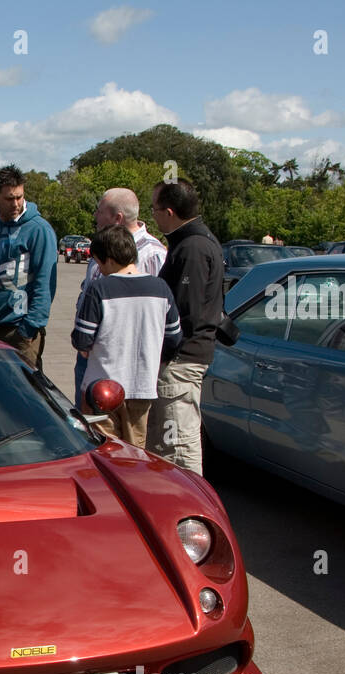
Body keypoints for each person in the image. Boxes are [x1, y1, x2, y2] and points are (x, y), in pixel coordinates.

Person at [73, 226, 182, 447]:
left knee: (105, 450)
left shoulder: (99, 289)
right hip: (142, 386)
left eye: (99, 263)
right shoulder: (161, 288)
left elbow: (81, 339)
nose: (100, 269)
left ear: (109, 260)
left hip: (102, 388)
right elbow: (174, 338)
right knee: (135, 452)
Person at [147, 178, 224, 474]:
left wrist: (166, 353)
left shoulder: (192, 247)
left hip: (181, 361)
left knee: (176, 444)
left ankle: (184, 507)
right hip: (184, 357)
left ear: (169, 211)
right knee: (168, 443)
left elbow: (184, 312)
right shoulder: (193, 242)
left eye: (154, 209)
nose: (152, 215)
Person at [72, 187, 167, 396]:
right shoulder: (102, 246)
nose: (95, 216)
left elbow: (162, 317)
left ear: (117, 218)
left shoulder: (153, 254)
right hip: (90, 360)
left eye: (100, 211)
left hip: (127, 372)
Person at [0, 165, 57, 371]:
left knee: (26, 395)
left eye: (19, 197)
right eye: (9, 198)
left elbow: (45, 284)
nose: (15, 203)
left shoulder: (39, 229)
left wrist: (29, 329)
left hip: (21, 331)